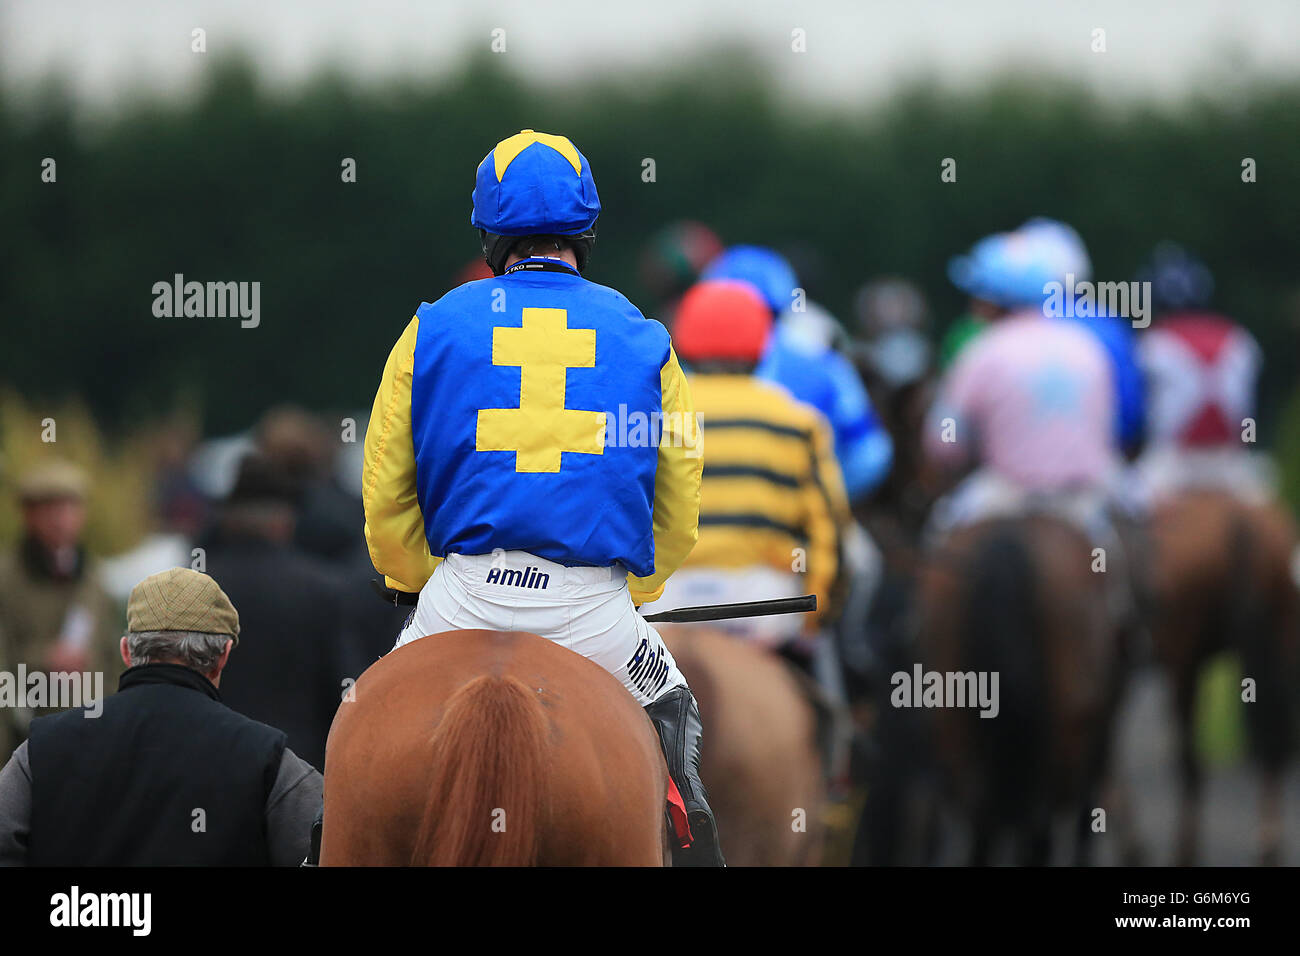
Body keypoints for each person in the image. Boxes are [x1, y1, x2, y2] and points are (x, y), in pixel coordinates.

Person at [362, 129, 722, 865]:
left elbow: (384, 485)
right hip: (593, 614)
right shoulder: (647, 335)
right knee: (676, 707)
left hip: (459, 599)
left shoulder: (429, 326)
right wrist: (642, 587)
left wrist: (413, 579)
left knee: (361, 724)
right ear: (584, 231)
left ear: (490, 234)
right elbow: (681, 486)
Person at [0, 568, 321, 866]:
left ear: (127, 651)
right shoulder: (267, 759)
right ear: (223, 655)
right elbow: (329, 844)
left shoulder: (41, 749)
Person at [642, 279, 848, 650]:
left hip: (663, 602)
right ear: (763, 344)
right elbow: (828, 528)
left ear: (683, 338)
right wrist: (815, 618)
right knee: (826, 685)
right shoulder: (798, 421)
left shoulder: (655, 416)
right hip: (763, 605)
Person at [197, 453, 361, 771]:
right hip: (299, 771)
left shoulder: (199, 590)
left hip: (216, 766)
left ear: (229, 519)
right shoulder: (322, 589)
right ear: (284, 521)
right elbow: (345, 690)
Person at [702, 245, 894, 505]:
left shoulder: (682, 369)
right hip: (804, 526)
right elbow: (871, 453)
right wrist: (823, 497)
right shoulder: (824, 365)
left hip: (704, 525)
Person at [1132, 242, 1274, 505]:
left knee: (1122, 526)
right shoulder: (1240, 340)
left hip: (1171, 465)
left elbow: (1137, 415)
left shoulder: (1151, 344)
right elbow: (1252, 411)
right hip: (1233, 463)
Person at [0, 460, 121, 765]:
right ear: (28, 515)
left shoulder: (95, 580)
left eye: (70, 508)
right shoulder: (7, 580)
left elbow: (114, 663)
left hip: (89, 744)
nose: (61, 520)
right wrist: (44, 660)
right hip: (24, 746)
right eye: (50, 509)